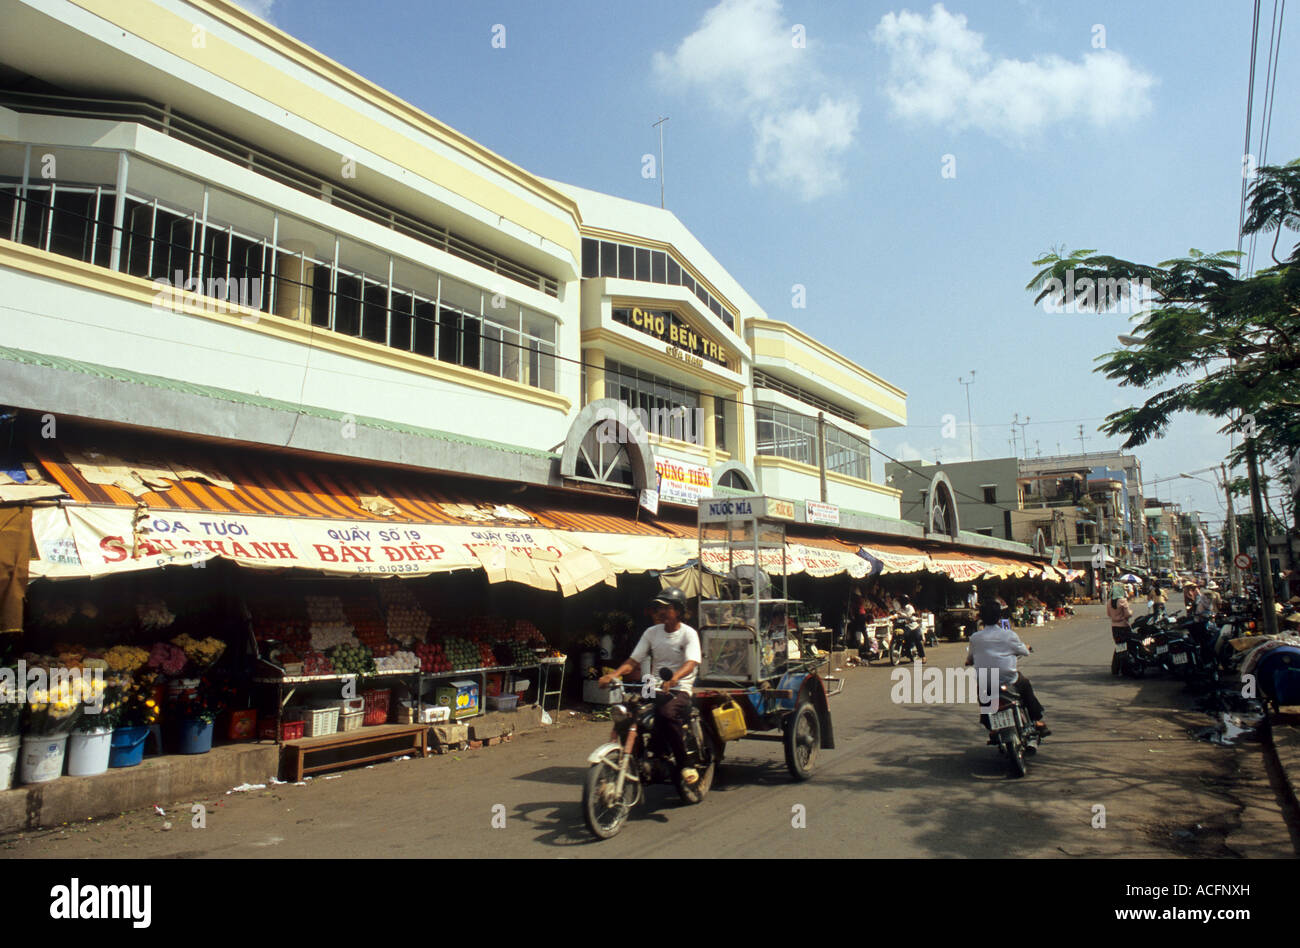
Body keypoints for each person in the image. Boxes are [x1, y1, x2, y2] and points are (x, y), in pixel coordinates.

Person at [598, 587, 703, 785]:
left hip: (679, 688)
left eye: (666, 607)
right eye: (658, 607)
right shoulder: (651, 633)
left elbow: (691, 663)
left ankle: (685, 764)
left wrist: (674, 678)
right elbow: (633, 661)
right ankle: (637, 758)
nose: (660, 611)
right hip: (652, 685)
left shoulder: (689, 634)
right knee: (627, 712)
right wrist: (613, 674)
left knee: (665, 714)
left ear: (678, 611)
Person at [965, 599, 1049, 736]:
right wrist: (1027, 648)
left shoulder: (975, 638)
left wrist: (969, 661)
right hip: (1009, 679)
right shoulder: (1009, 635)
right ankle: (1036, 720)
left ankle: (992, 726)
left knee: (982, 693)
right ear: (999, 617)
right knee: (1025, 684)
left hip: (987, 681)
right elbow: (1024, 651)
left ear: (981, 617)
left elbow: (970, 657)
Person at [898, 595, 926, 663]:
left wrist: (902, 615)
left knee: (917, 640)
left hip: (913, 626)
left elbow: (910, 616)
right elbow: (898, 616)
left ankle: (923, 656)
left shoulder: (910, 608)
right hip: (905, 626)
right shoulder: (900, 609)